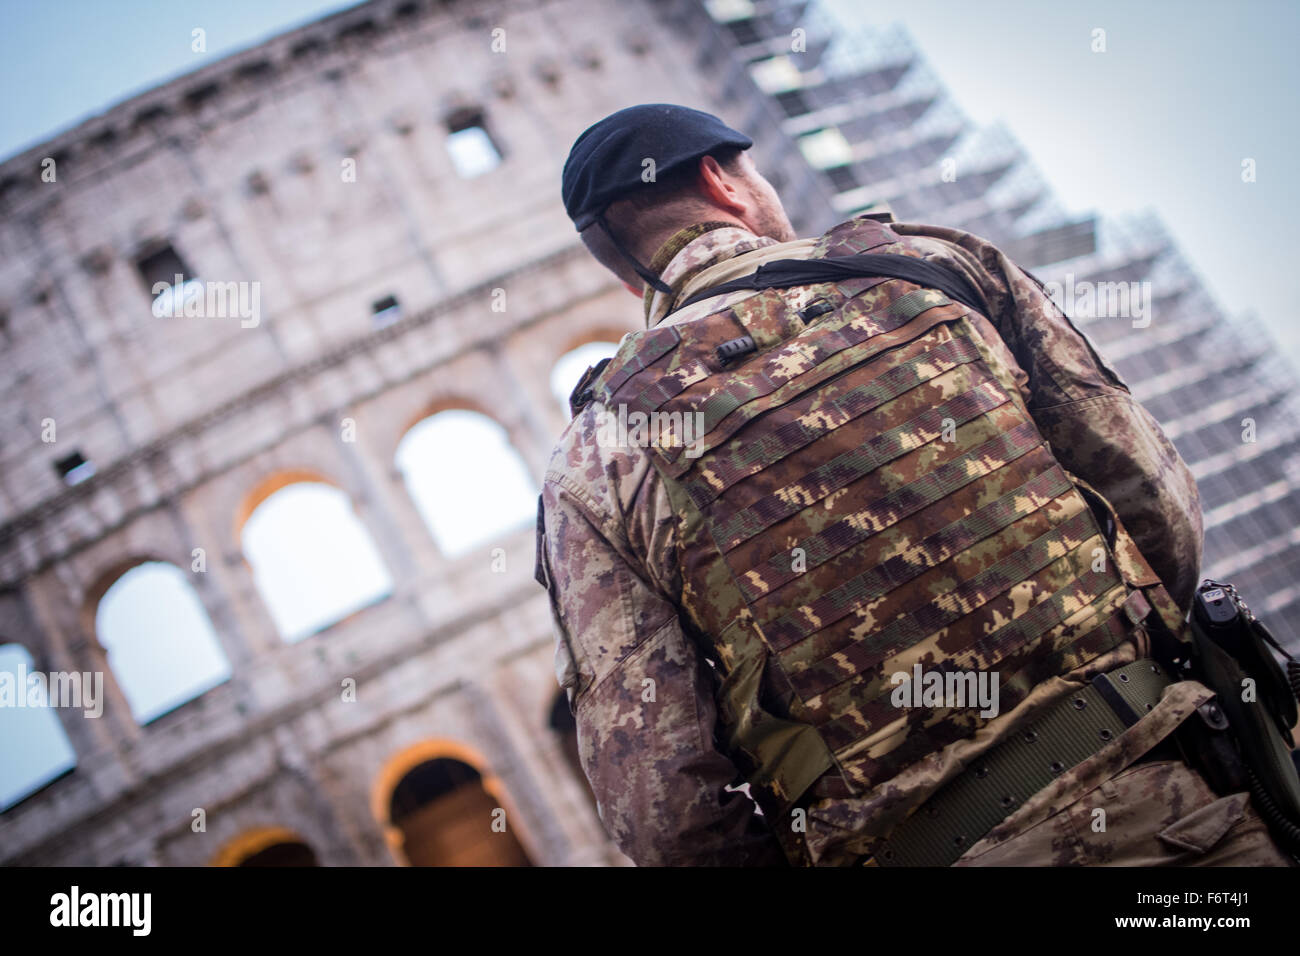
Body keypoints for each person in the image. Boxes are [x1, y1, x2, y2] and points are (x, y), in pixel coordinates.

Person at [535, 103, 1294, 866]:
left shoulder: (596, 457)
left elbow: (663, 805)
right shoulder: (933, 270)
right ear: (721, 181)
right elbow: (1152, 498)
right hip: (1169, 814)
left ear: (619, 259)